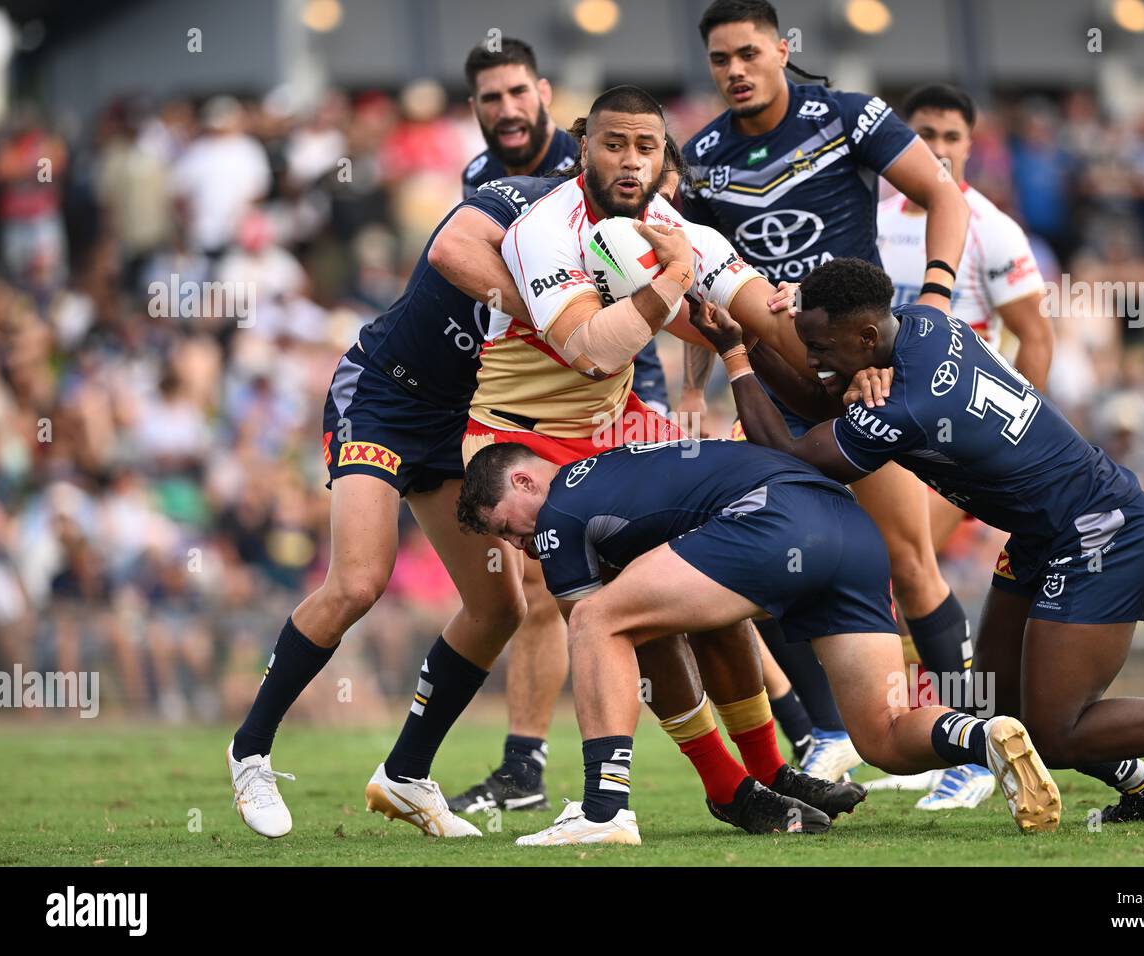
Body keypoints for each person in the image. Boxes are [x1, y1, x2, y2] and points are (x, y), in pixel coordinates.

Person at [691, 256, 1144, 825]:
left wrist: (738, 357)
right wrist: (754, 350)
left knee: (1057, 732)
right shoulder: (924, 325)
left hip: (1099, 528)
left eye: (820, 347)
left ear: (866, 340)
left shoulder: (907, 405)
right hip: (1044, 532)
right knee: (1002, 713)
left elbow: (795, 454)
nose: (813, 360)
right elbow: (821, 397)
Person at [450, 84, 868, 833]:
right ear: (584, 145)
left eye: (647, 147)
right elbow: (585, 350)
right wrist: (674, 282)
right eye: (614, 144)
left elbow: (763, 318)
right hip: (525, 434)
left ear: (664, 156)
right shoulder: (545, 227)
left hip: (612, 428)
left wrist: (861, 359)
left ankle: (767, 771)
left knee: (694, 597)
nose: (631, 161)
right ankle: (712, 786)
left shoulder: (673, 226)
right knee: (616, 619)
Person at [456, 438, 1061, 845]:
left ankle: (605, 809)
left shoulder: (560, 511)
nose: (518, 547)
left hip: (774, 518)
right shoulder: (622, 476)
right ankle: (981, 734)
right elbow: (689, 616)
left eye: (505, 528)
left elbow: (610, 633)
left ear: (522, 479)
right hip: (848, 527)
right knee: (882, 735)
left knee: (594, 621)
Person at [677, 0, 973, 782]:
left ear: (781, 49)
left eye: (747, 54)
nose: (734, 71)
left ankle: (974, 748)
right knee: (770, 564)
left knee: (909, 562)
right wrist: (692, 388)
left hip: (864, 374)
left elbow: (946, 194)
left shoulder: (844, 115)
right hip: (774, 383)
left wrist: (931, 310)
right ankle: (829, 734)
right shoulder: (701, 157)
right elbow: (690, 285)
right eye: (719, 60)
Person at [226, 173, 559, 840]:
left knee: (500, 604)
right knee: (358, 581)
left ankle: (405, 775)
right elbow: (447, 250)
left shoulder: (610, 253)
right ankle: (250, 750)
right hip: (381, 395)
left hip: (457, 424)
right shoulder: (527, 201)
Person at [451, 42, 671, 811]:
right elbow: (454, 255)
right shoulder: (484, 183)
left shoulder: (599, 170)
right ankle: (529, 768)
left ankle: (795, 726)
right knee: (559, 586)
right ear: (475, 107)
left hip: (620, 384)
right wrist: (541, 313)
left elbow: (665, 254)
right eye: (489, 98)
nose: (506, 109)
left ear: (547, 98)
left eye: (517, 92)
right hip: (551, 394)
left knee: (654, 581)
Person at [869, 82, 1052, 808]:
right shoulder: (873, 219)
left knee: (903, 565)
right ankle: (938, 732)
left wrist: (1020, 439)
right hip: (886, 432)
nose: (938, 148)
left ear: (971, 145)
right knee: (886, 574)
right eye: (925, 135)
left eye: (950, 135)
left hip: (957, 442)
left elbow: (1035, 334)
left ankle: (973, 744)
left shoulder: (989, 227)